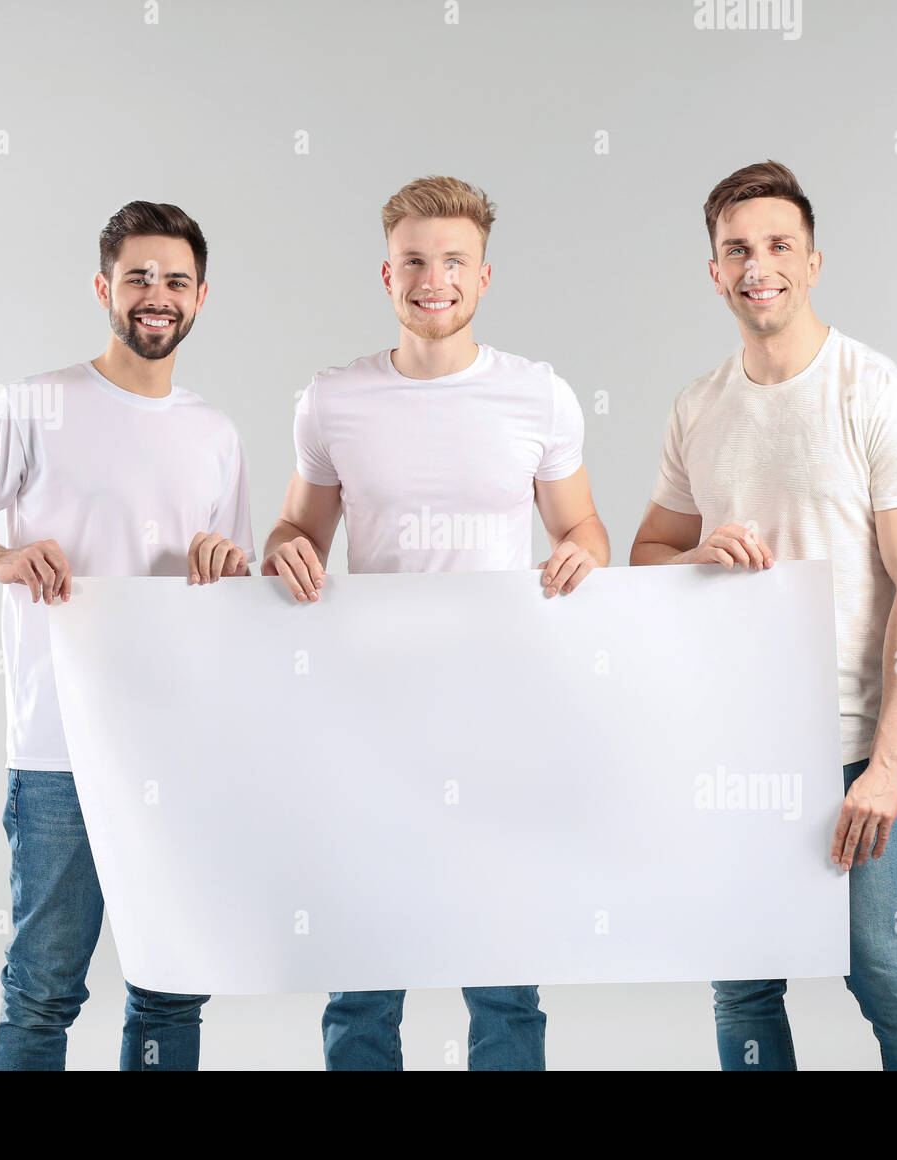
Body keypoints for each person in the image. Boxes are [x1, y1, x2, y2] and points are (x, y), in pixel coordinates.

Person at [262, 175, 610, 1070]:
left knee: (503, 975)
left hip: (502, 711)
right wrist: (283, 546)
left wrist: (584, 554)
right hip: (371, 715)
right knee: (364, 972)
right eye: (414, 261)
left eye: (454, 261)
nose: (434, 279)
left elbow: (583, 529)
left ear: (483, 278)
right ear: (388, 277)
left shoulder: (539, 397)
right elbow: (299, 531)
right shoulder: (332, 401)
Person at [630, 160, 897, 1070]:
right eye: (736, 249)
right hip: (735, 746)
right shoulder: (698, 407)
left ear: (813, 262)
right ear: (714, 272)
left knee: (888, 978)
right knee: (741, 985)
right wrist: (696, 556)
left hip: (852, 746)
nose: (757, 265)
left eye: (778, 246)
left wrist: (887, 769)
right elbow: (648, 556)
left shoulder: (882, 397)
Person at [0, 201, 254, 1070]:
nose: (156, 295)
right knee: (42, 991)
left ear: (201, 298)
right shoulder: (38, 406)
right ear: (105, 288)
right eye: (138, 277)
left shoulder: (216, 435)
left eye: (175, 280)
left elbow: (237, 601)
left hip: (175, 753)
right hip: (57, 750)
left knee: (172, 992)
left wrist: (226, 566)